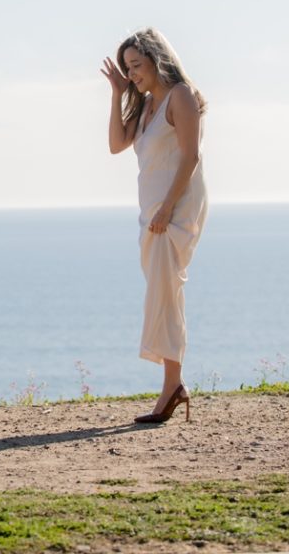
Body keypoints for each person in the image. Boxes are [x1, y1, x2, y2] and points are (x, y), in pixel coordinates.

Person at [100, 27, 207, 426]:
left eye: (137, 65)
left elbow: (191, 156)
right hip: (153, 209)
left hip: (175, 206)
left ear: (157, 60)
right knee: (161, 290)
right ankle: (173, 386)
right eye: (127, 68)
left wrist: (167, 208)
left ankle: (171, 388)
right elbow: (115, 144)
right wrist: (117, 94)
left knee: (167, 290)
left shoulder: (181, 96)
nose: (132, 75)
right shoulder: (145, 105)